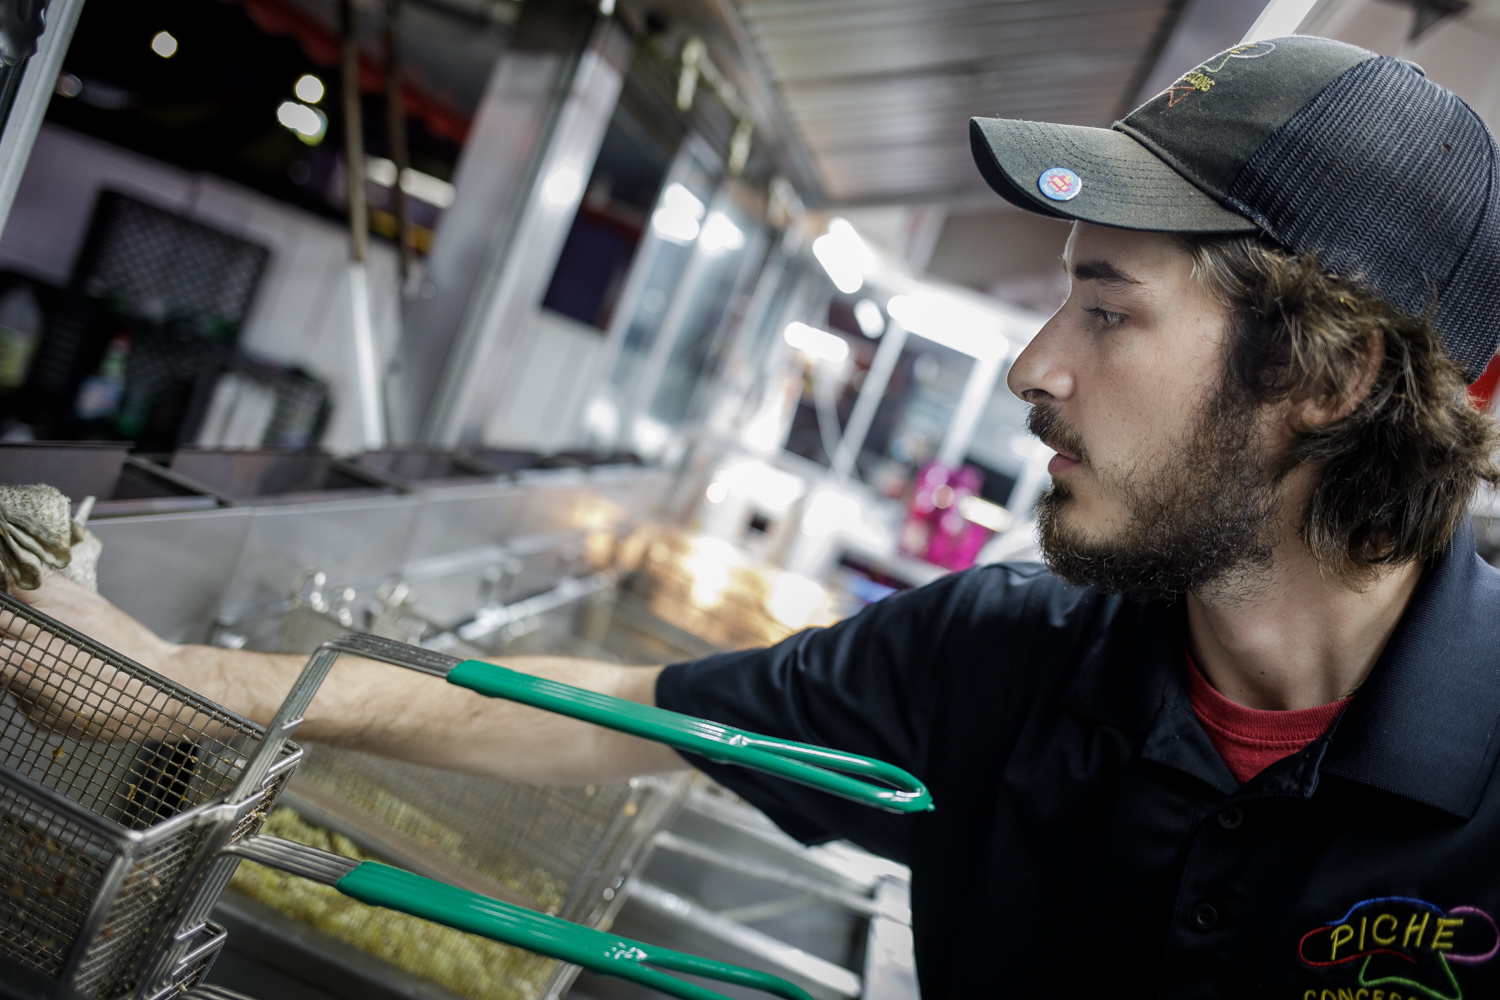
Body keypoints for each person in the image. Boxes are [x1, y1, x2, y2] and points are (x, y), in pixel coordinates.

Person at [10, 35, 1500, 997]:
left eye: (1109, 311)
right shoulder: (1008, 655)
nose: (1030, 366)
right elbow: (611, 714)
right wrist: (172, 683)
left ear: (1333, 371)